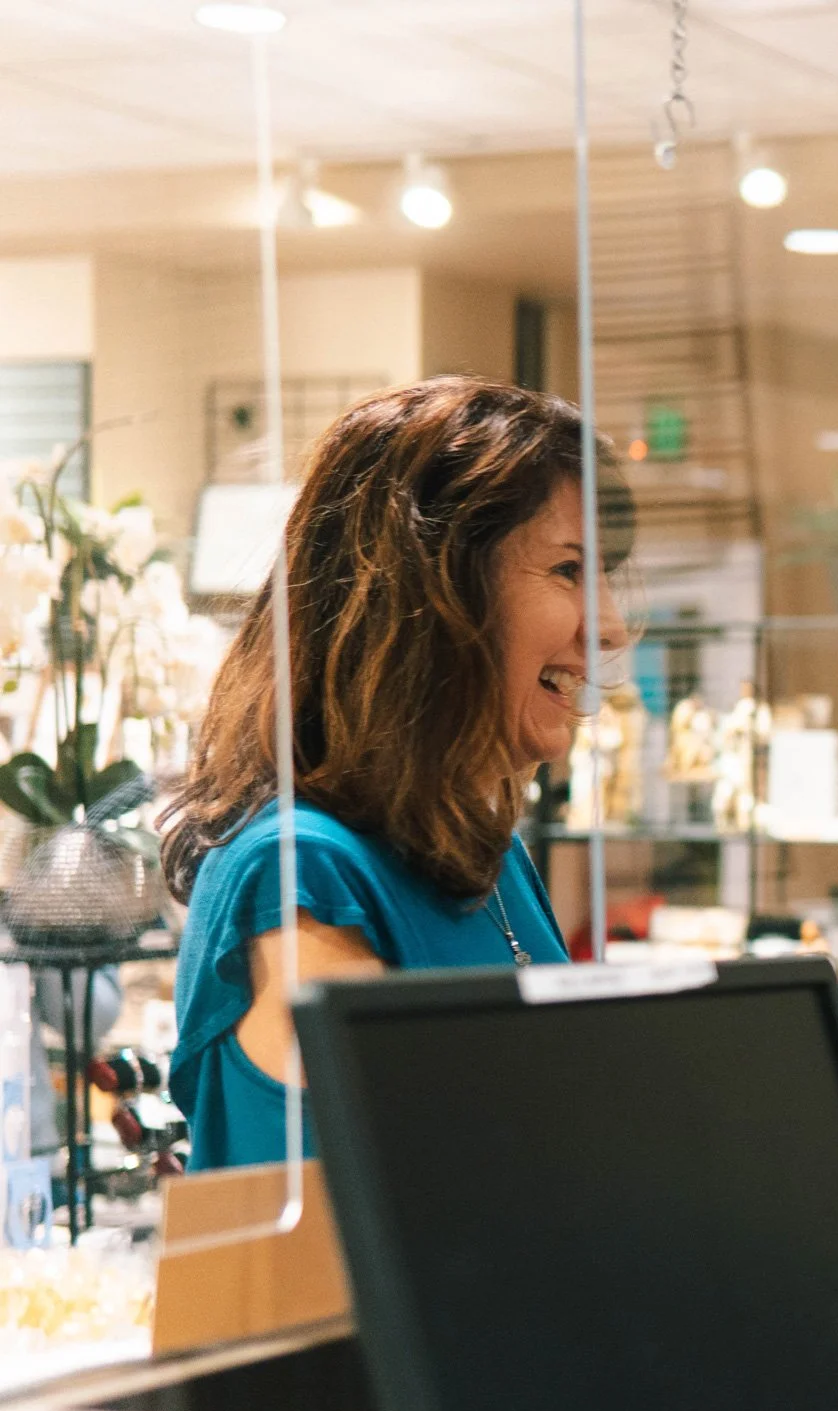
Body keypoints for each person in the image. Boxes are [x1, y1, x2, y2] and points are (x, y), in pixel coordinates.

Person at [164, 378, 630, 1170]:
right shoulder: (305, 871)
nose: (611, 625)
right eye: (568, 570)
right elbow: (371, 1212)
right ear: (432, 593)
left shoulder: (486, 853)